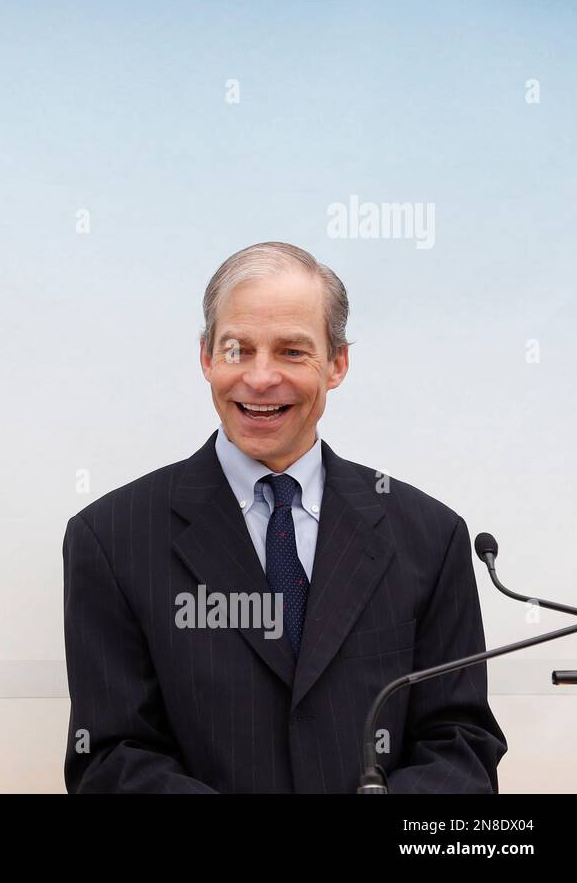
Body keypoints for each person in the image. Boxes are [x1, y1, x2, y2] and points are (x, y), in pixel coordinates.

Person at [62, 241, 506, 792]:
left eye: (292, 352)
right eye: (237, 350)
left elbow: (460, 742)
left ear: (337, 363)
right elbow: (110, 758)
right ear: (206, 358)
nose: (261, 377)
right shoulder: (109, 539)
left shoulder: (432, 536)